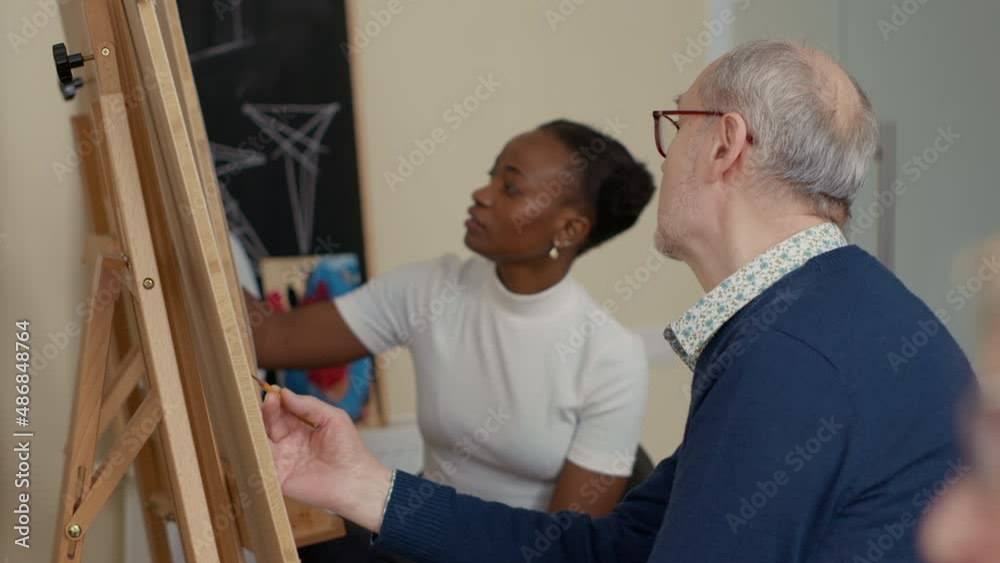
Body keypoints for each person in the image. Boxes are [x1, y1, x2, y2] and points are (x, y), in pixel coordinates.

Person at [260, 40, 975, 563]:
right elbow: (617, 548)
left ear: (724, 143)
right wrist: (360, 484)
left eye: (677, 125)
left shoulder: (792, 356)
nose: (666, 157)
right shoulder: (827, 315)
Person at [247, 118, 656, 517]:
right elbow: (272, 338)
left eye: (510, 187)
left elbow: (568, 547)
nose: (482, 193)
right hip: (421, 538)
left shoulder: (612, 358)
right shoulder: (429, 290)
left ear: (569, 229)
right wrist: (202, 240)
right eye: (490, 176)